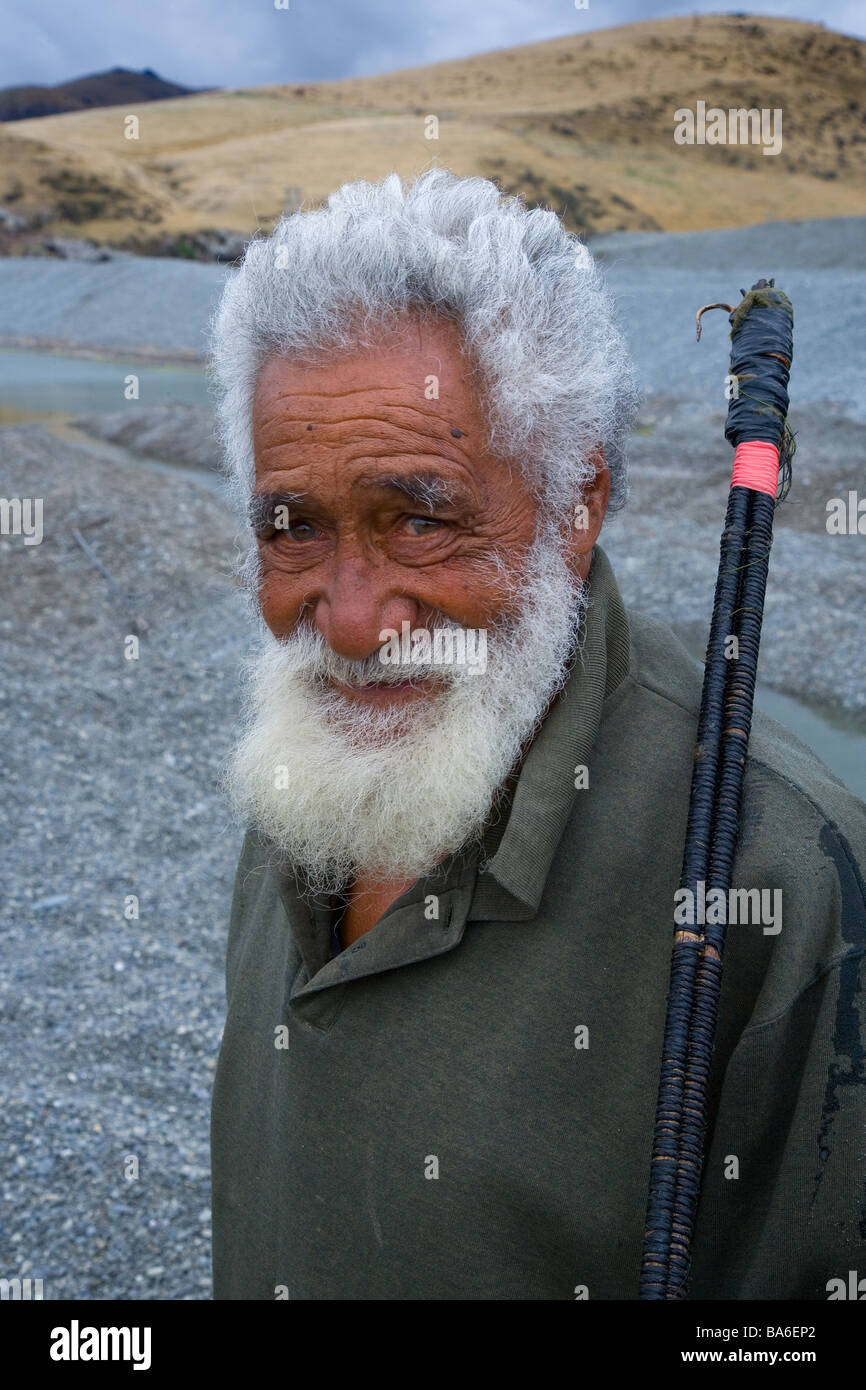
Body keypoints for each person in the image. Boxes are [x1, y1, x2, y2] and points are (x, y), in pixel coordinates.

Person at [208, 168, 866, 1300]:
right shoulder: (306, 769)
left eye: (420, 518)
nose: (352, 620)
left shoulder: (783, 886)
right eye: (293, 526)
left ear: (576, 506)